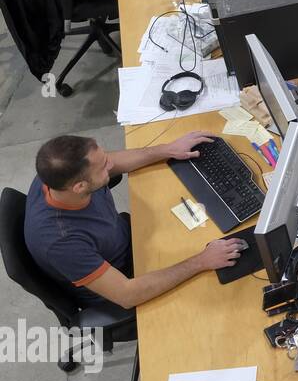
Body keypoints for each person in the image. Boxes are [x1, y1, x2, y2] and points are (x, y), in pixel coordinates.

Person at [25, 133, 242, 310]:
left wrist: (168, 149)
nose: (111, 163)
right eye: (103, 166)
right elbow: (127, 295)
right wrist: (201, 261)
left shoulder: (58, 173)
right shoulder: (61, 242)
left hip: (127, 242)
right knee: (227, 295)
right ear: (79, 187)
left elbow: (114, 162)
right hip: (122, 281)